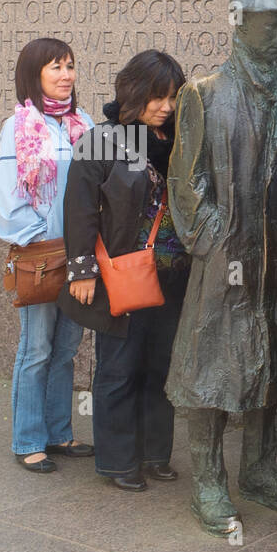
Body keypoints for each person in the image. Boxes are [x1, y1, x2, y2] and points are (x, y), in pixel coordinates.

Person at [165, 0, 277, 538]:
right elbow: (185, 180)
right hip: (226, 257)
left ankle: (260, 466)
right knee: (212, 372)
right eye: (269, 23)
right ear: (239, 24)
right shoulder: (205, 93)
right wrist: (211, 239)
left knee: (270, 362)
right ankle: (207, 477)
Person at [59, 50, 190, 491]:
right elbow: (79, 209)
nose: (166, 107)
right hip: (122, 274)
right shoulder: (102, 139)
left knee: (160, 366)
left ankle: (155, 453)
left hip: (173, 274)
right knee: (119, 368)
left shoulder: (180, 139)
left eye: (172, 97)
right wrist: (81, 271)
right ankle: (117, 460)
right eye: (157, 97)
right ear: (134, 92)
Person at [0, 38, 94, 472]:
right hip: (42, 254)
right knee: (35, 347)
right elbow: (7, 196)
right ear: (34, 75)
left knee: (67, 347)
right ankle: (28, 438)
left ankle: (59, 433)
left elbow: (99, 184)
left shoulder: (83, 123)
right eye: (56, 67)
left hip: (81, 254)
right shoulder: (18, 128)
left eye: (70, 66)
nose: (66, 74)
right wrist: (40, 239)